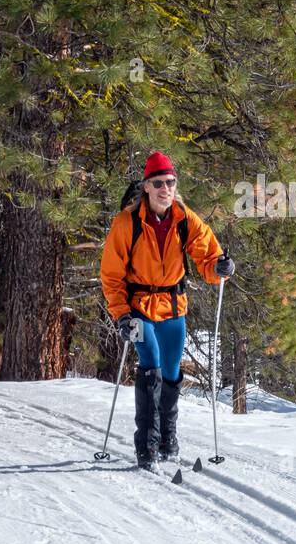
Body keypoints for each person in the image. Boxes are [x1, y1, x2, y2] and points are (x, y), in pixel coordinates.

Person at [99, 151, 235, 469]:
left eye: (170, 182)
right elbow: (112, 275)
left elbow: (207, 255)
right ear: (146, 187)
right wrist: (121, 314)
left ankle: (167, 439)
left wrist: (220, 266)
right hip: (139, 309)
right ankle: (146, 446)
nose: (165, 188)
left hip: (174, 308)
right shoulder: (126, 223)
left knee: (172, 372)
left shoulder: (184, 218)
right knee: (151, 364)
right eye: (158, 183)